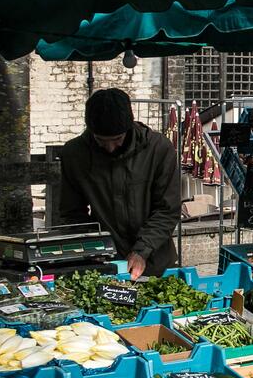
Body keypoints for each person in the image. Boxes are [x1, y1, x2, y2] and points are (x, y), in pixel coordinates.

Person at [57, 89, 182, 279]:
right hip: (103, 263)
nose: (110, 147)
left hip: (156, 261)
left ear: (129, 128)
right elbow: (72, 213)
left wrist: (142, 250)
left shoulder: (159, 149)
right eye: (101, 140)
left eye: (117, 139)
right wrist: (96, 249)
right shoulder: (75, 154)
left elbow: (167, 209)